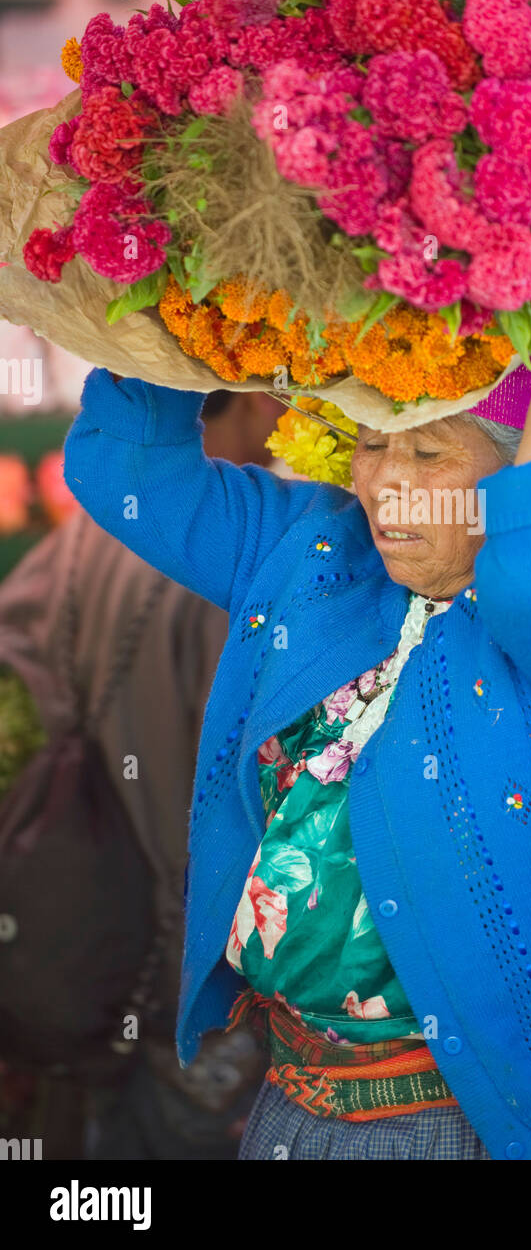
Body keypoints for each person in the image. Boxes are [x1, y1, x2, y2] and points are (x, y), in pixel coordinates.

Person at [62, 226, 531, 1161]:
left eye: (431, 456)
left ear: (526, 470)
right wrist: (188, 273)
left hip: (494, 1119)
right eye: (367, 442)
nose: (387, 485)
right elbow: (126, 471)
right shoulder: (316, 547)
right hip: (301, 1102)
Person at [0, 388, 281, 1160]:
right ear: (255, 406)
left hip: (74, 926)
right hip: (178, 965)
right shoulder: (230, 569)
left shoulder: (84, 533)